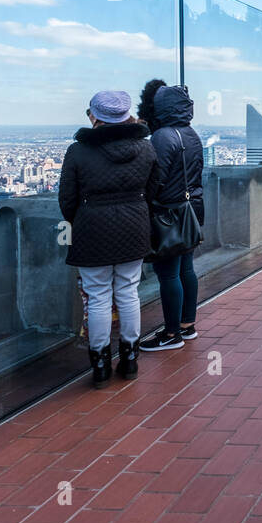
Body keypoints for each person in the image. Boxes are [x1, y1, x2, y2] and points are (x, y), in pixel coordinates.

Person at [59, 91, 158, 386]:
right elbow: (154, 190)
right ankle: (129, 359)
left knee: (98, 296)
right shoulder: (145, 148)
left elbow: (67, 199)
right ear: (126, 114)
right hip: (134, 227)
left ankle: (100, 364)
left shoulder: (78, 151)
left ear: (95, 116)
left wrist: (82, 220)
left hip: (91, 230)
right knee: (128, 292)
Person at [139, 84, 205, 351]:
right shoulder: (191, 134)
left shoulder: (162, 137)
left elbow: (156, 179)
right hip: (192, 209)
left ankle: (171, 334)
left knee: (168, 274)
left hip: (169, 213)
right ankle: (188, 325)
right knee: (186, 268)